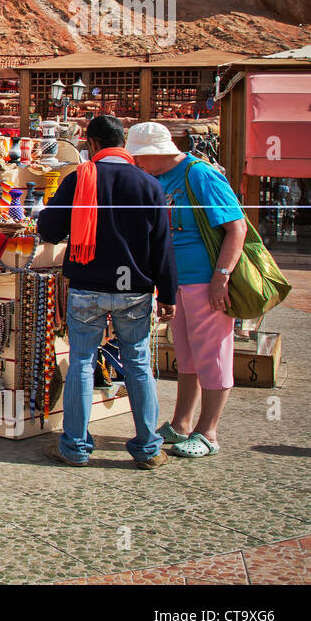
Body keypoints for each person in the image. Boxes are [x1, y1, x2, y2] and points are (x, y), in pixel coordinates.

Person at [37, 115, 176, 470]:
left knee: (82, 363)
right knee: (139, 365)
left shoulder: (78, 180)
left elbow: (48, 230)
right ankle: (147, 449)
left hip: (88, 286)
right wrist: (169, 295)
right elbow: (162, 246)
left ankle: (75, 447)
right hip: (136, 289)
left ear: (93, 144)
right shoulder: (149, 185)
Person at [127, 121, 246, 458]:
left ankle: (208, 431)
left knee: (213, 355)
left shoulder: (200, 174)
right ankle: (182, 423)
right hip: (177, 280)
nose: (137, 163)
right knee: (188, 355)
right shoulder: (159, 178)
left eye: (139, 157)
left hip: (204, 279)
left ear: (154, 153)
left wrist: (221, 277)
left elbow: (237, 228)